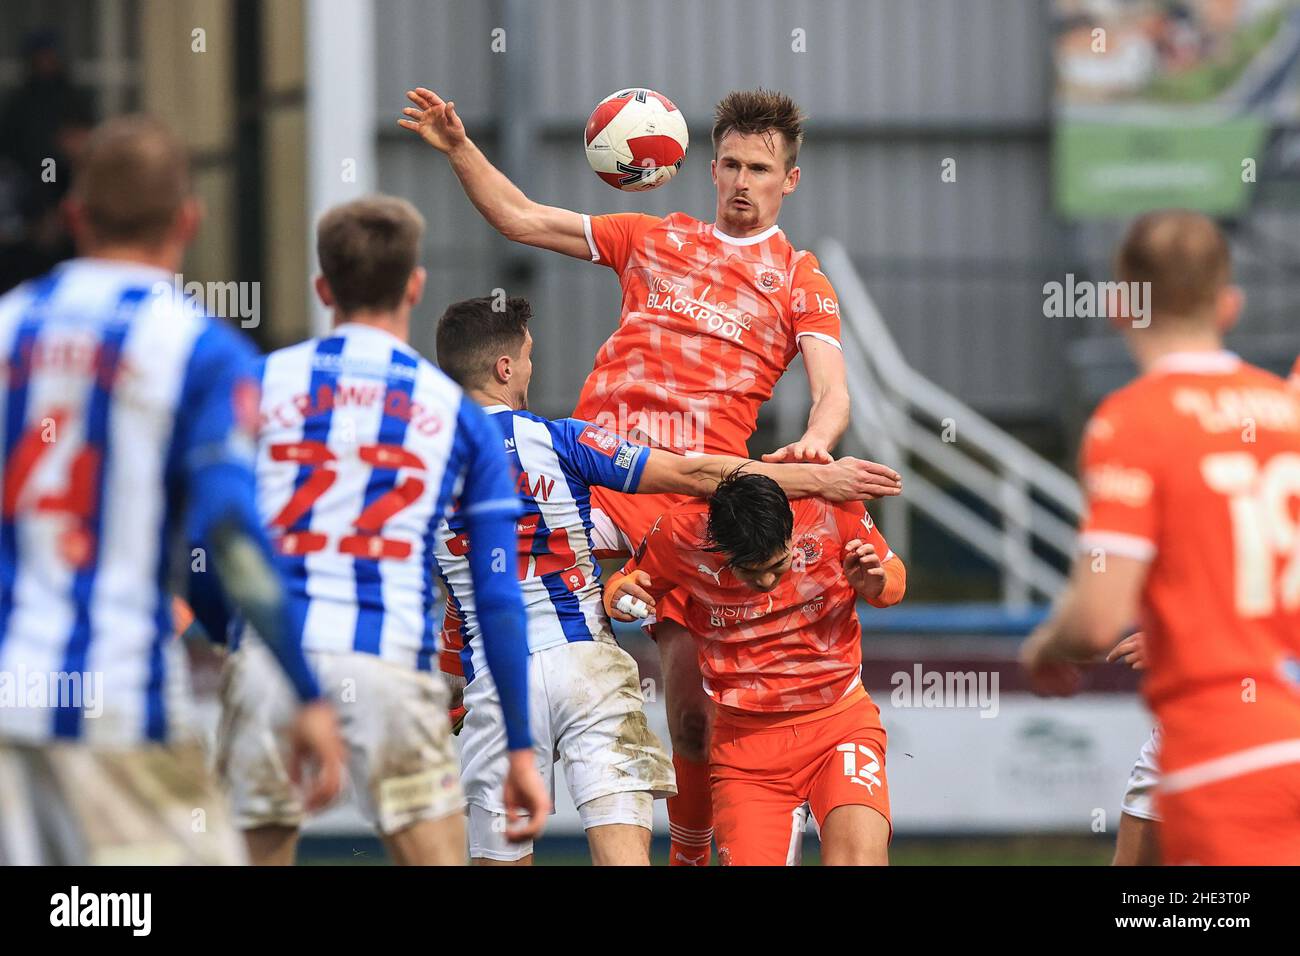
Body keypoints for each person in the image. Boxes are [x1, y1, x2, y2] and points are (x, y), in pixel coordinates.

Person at [400, 83, 852, 865]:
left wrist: (815, 442)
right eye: (733, 165)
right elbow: (521, 218)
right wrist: (458, 146)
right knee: (483, 522)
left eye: (761, 169)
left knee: (691, 721)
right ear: (710, 169)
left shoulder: (800, 279)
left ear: (790, 181)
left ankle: (699, 840)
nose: (744, 182)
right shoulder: (652, 235)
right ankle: (451, 679)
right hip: (599, 477)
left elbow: (833, 389)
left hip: (689, 498)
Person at [434, 295, 901, 865]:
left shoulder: (419, 470)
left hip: (496, 678)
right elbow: (689, 472)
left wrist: (450, 677)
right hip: (586, 667)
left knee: (500, 854)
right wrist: (805, 478)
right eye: (528, 357)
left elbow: (448, 589)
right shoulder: (564, 440)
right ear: (505, 369)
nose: (533, 368)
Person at [0, 115, 344, 865]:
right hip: (117, 703)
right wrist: (304, 687)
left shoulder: (10, 327)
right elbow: (226, 526)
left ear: (73, 215)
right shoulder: (201, 349)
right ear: (189, 219)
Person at [215, 197, 548, 866]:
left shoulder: (258, 384)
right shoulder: (456, 413)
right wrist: (518, 744)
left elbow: (216, 536)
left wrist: (229, 638)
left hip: (271, 661)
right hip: (389, 662)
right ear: (415, 286)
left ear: (321, 289)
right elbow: (497, 596)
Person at [1021, 210, 1300, 865]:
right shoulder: (1283, 410)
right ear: (1229, 305)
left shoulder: (1132, 422)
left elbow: (1096, 618)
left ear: (1120, 305)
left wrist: (1046, 647)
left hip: (1224, 742)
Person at [604, 472, 906, 865]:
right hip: (745, 751)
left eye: (777, 565)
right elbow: (626, 583)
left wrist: (877, 585)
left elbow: (894, 578)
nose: (765, 581)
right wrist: (621, 597)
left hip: (840, 727)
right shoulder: (680, 532)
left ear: (793, 530)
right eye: (748, 571)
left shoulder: (831, 509)